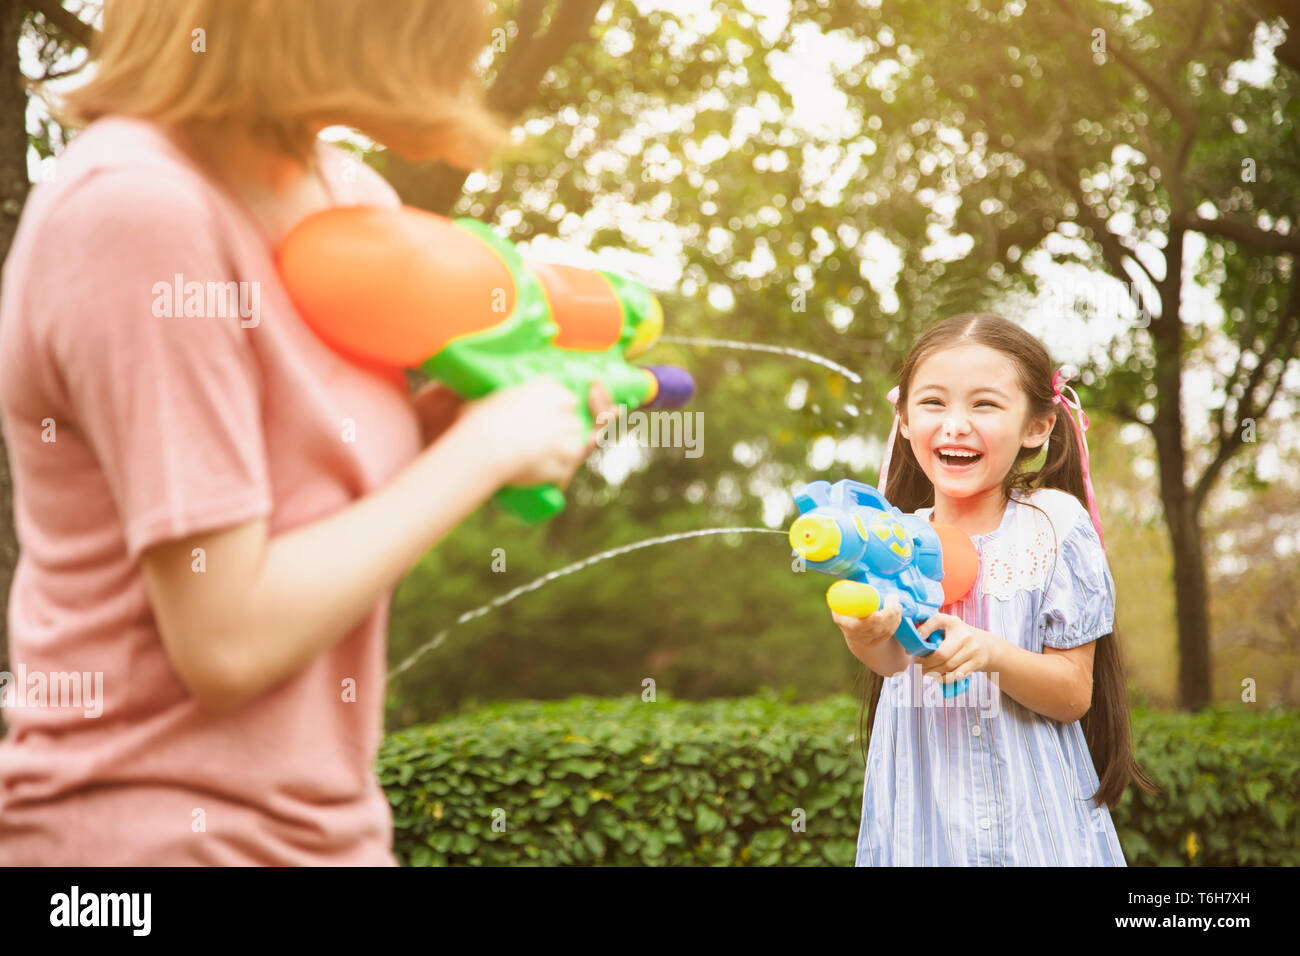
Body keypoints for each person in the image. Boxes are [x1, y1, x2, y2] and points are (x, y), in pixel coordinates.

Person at [0, 0, 611, 865]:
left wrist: (454, 426)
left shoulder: (348, 198)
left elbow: (318, 500)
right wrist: (485, 452)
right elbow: (226, 637)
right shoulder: (139, 213)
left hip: (331, 835)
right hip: (141, 843)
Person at [835, 312, 1159, 866]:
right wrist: (864, 633)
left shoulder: (1053, 526)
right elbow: (890, 660)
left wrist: (990, 653)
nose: (955, 424)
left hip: (1030, 820)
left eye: (984, 404)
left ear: (1038, 425)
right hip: (922, 818)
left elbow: (1072, 692)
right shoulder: (895, 536)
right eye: (933, 403)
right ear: (906, 420)